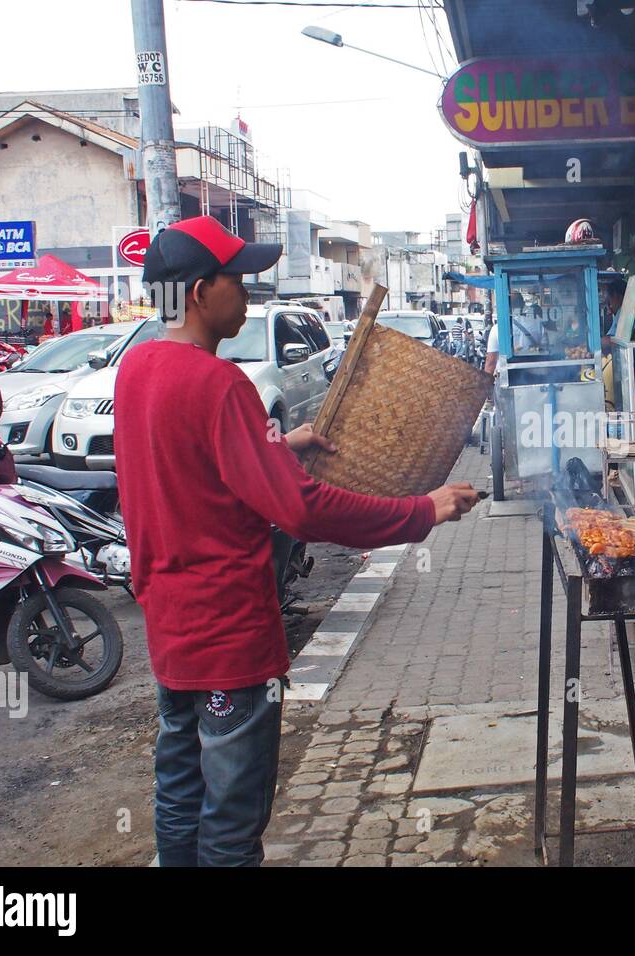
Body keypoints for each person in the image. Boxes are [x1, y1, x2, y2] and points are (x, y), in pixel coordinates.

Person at [115, 215, 479, 867]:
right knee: (230, 822)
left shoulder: (137, 367)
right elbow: (302, 510)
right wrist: (420, 510)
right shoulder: (220, 384)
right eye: (238, 278)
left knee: (179, 795)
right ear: (199, 291)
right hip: (226, 636)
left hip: (170, 629)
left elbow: (194, 467)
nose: (249, 292)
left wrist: (276, 446)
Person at [484, 291, 542, 376]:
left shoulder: (497, 328)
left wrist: (486, 384)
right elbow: (545, 349)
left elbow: (491, 362)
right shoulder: (537, 324)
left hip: (508, 377)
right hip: (535, 375)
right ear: (523, 304)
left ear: (505, 306)